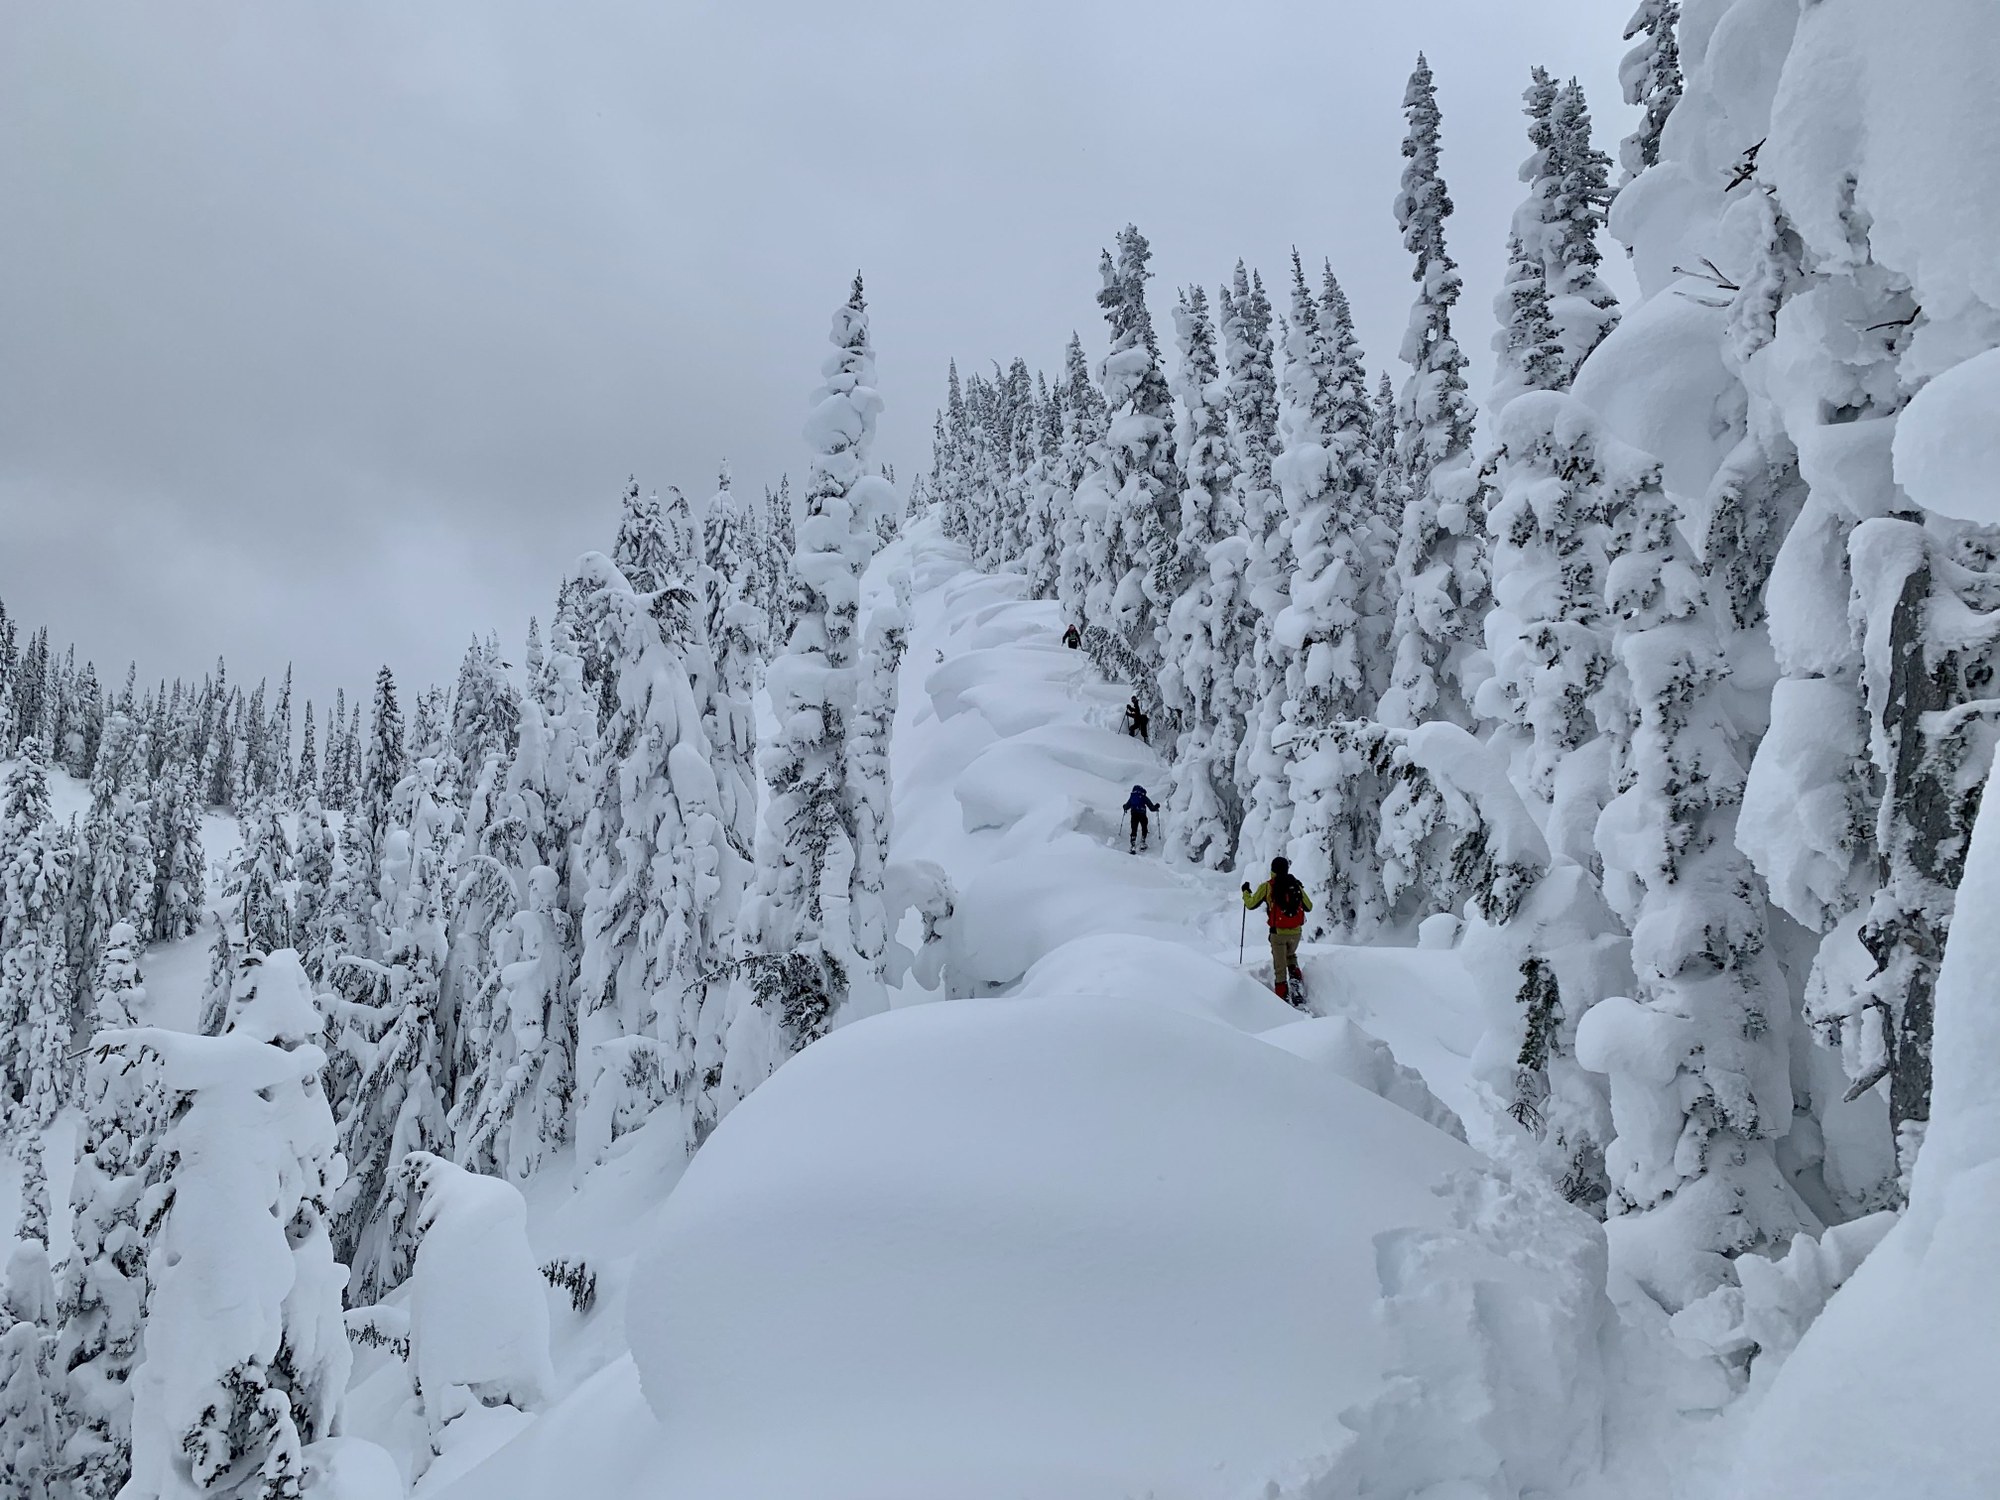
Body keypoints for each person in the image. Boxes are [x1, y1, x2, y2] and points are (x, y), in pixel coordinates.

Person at [1243, 856, 1313, 1004]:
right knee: (1291, 956)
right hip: (1296, 932)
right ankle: (1297, 991)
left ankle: (1282, 1002)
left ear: (1272, 870)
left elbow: (1250, 904)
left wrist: (1245, 892)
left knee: (1280, 968)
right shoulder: (1296, 884)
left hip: (1278, 933)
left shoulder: (1268, 886)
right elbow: (1309, 906)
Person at [1123, 784, 1159, 852]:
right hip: (1142, 814)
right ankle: (1143, 842)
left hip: (1134, 814)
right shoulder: (1143, 796)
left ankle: (1133, 844)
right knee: (1144, 827)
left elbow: (1127, 806)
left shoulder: (1132, 797)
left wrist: (1124, 807)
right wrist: (1156, 807)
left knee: (1134, 828)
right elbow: (1151, 807)